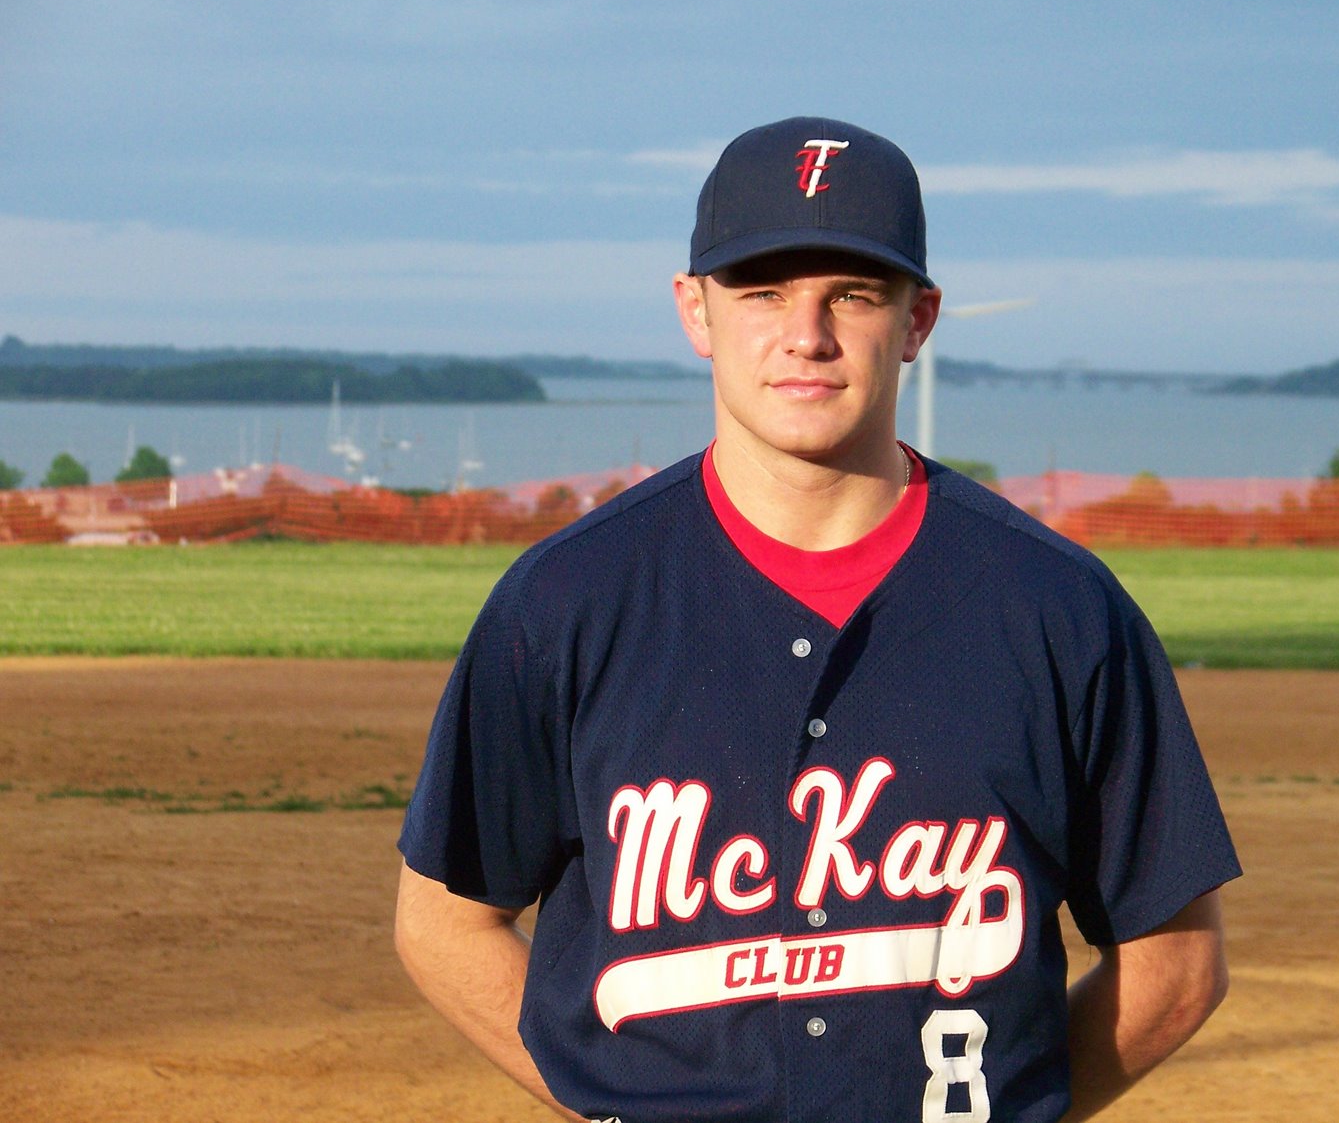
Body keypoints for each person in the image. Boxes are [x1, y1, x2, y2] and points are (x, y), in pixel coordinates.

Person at [394, 116, 1241, 1123]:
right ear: (694, 311)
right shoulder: (567, 599)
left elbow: (1176, 960)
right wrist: (606, 1102)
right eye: (762, 291)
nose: (807, 334)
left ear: (919, 318)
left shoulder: (1057, 607)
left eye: (853, 292)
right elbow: (442, 921)